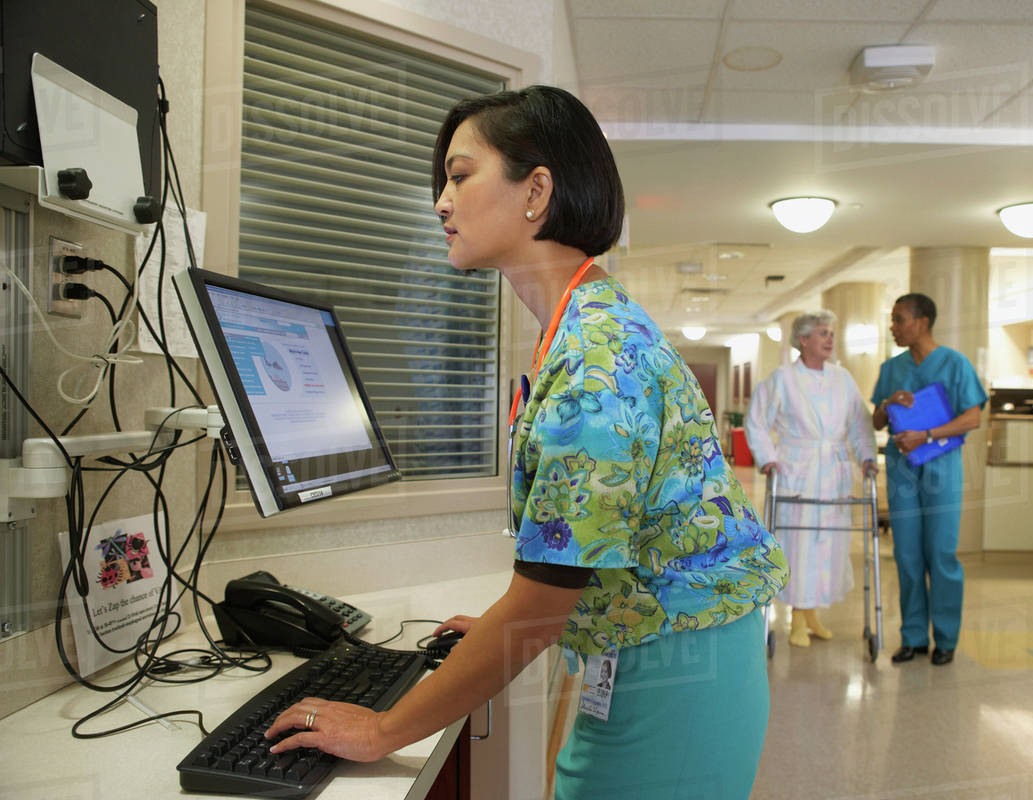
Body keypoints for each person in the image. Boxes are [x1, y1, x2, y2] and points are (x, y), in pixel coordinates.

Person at [266, 85, 789, 799]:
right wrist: (497, 626)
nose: (441, 203)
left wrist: (384, 728)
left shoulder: (592, 361)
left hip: (675, 669)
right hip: (658, 647)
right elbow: (573, 559)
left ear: (535, 190)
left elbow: (544, 604)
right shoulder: (576, 325)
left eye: (460, 175)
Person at [744, 311, 876, 647]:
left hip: (832, 471)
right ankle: (796, 618)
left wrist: (866, 457)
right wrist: (768, 458)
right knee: (798, 545)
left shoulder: (843, 378)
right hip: (797, 470)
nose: (830, 339)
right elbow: (757, 419)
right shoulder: (783, 378)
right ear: (803, 340)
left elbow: (860, 424)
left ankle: (813, 613)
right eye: (822, 333)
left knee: (827, 544)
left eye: (832, 333)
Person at [870, 293, 986, 666]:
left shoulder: (955, 364)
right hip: (903, 468)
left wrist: (929, 434)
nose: (894, 327)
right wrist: (888, 404)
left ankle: (947, 638)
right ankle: (913, 636)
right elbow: (876, 420)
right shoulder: (892, 367)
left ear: (922, 322)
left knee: (940, 553)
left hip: (941, 467)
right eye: (893, 320)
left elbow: (973, 418)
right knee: (906, 555)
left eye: (899, 319)